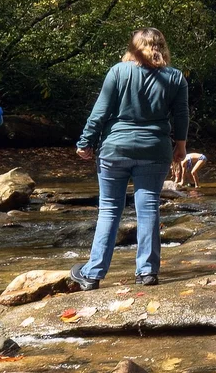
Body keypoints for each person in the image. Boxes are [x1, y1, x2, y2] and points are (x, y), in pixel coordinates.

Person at [71, 28, 189, 290]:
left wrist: (85, 143)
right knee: (148, 209)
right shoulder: (176, 77)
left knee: (110, 210)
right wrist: (180, 146)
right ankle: (147, 273)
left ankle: (92, 274)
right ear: (162, 46)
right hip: (155, 149)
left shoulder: (118, 71)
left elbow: (100, 112)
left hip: (115, 149)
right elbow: (181, 115)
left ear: (134, 48)